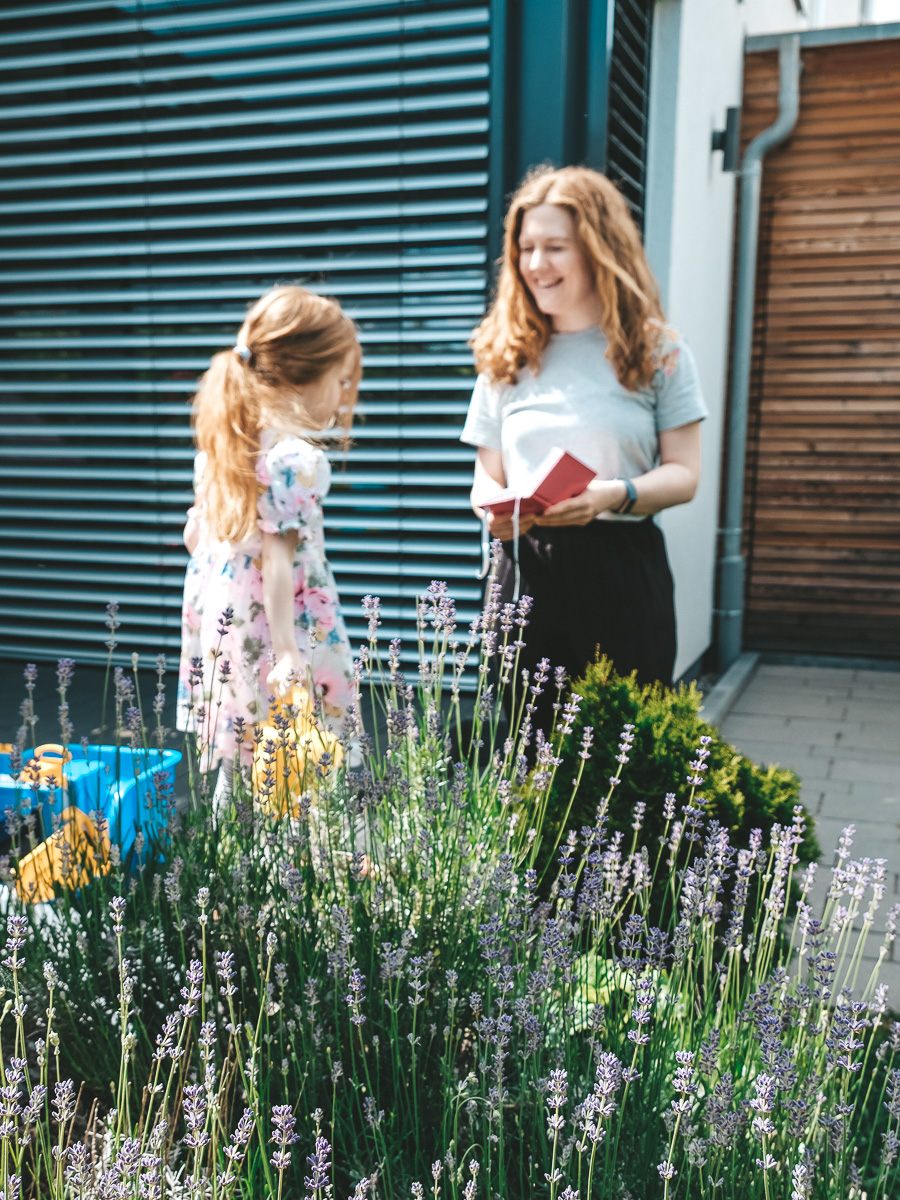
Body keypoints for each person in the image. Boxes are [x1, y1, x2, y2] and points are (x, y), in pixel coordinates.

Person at [462, 165, 707, 732]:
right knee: (532, 756)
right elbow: (484, 478)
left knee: (626, 752)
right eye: (525, 248)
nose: (535, 265)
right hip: (526, 572)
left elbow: (685, 474)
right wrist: (494, 510)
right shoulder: (506, 355)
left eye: (554, 247)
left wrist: (612, 494)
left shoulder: (658, 352)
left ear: (600, 249)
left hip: (621, 570)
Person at [176, 286, 362, 802]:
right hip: (281, 631)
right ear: (305, 376)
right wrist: (286, 652)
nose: (344, 395)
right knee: (306, 760)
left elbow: (196, 538)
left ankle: (227, 873)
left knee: (242, 765)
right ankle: (310, 873)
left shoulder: (227, 445)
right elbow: (279, 558)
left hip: (228, 630)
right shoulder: (294, 461)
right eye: (341, 380)